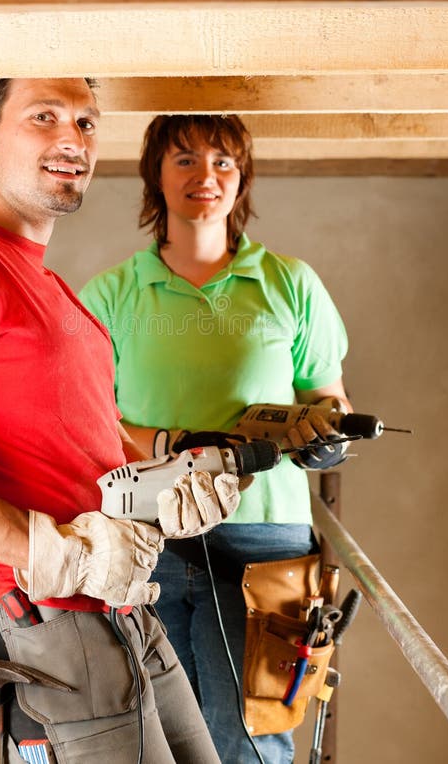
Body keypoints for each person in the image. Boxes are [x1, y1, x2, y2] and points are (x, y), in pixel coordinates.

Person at [0, 81, 242, 764]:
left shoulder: (46, 283)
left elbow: (85, 446)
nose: (72, 139)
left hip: (119, 605)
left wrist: (174, 488)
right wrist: (53, 553)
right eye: (43, 118)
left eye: (85, 121)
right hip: (34, 619)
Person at [79, 114, 353, 764]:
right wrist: (168, 444)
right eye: (185, 161)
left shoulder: (289, 284)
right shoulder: (110, 296)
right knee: (151, 739)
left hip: (267, 542)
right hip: (149, 541)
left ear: (242, 178)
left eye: (223, 163)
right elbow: (86, 420)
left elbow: (330, 398)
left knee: (251, 737)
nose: (206, 177)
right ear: (155, 176)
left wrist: (327, 434)